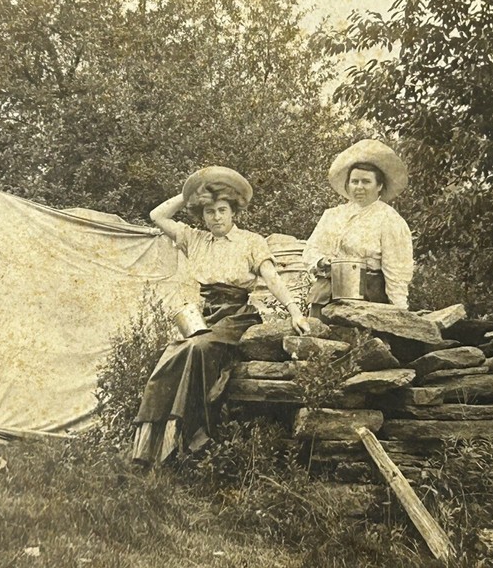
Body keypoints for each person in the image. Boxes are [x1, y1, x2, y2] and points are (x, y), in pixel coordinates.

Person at [133, 166, 310, 465]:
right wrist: (191, 192)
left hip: (238, 315)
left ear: (233, 212)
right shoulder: (195, 239)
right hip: (206, 316)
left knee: (199, 348)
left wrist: (294, 311)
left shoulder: (252, 241)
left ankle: (198, 437)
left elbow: (272, 277)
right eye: (209, 211)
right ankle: (156, 448)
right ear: (202, 215)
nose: (216, 217)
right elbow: (157, 216)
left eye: (222, 210)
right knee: (171, 356)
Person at [303, 139, 414, 314]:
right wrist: (322, 261)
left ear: (379, 186)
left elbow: (397, 270)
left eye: (366, 182)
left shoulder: (390, 219)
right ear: (347, 185)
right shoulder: (332, 215)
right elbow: (311, 250)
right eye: (354, 182)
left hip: (367, 298)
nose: (359, 187)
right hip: (325, 295)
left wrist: (400, 310)